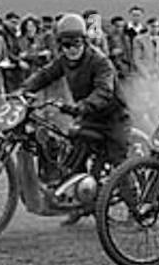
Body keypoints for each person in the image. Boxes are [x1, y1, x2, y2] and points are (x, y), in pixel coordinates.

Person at [19, 13, 132, 224]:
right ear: (60, 45)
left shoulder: (101, 62)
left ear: (84, 41)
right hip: (88, 115)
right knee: (73, 157)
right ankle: (79, 205)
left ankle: (137, 210)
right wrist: (24, 89)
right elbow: (45, 74)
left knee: (119, 163)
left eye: (76, 43)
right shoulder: (63, 60)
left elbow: (104, 91)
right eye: (66, 44)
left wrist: (81, 106)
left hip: (113, 118)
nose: (71, 49)